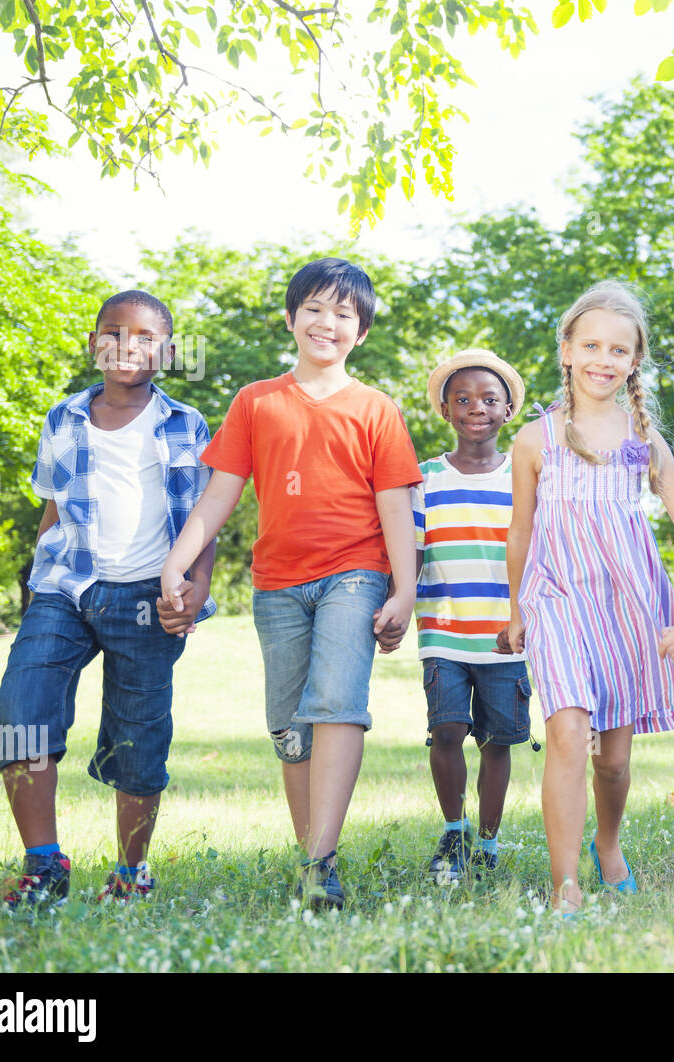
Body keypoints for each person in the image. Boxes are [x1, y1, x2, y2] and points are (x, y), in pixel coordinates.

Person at [160, 258, 421, 908]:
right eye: (314, 308)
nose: (326, 322)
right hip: (276, 585)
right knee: (288, 725)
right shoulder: (256, 401)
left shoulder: (377, 409)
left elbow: (395, 506)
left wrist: (404, 589)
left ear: (360, 333)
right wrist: (179, 559)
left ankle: (320, 863)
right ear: (290, 317)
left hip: (355, 575)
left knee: (335, 702)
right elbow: (221, 494)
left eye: (343, 314)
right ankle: (312, 862)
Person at [0, 290, 216, 908]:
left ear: (167, 351)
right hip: (64, 589)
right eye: (113, 332)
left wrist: (195, 589)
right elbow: (52, 509)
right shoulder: (62, 418)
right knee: (21, 713)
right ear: (95, 343)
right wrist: (35, 590)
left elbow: (205, 516)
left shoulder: (185, 424)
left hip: (148, 596)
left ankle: (130, 871)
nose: (128, 345)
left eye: (145, 336)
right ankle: (44, 866)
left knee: (138, 739)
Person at [502, 280, 674, 915]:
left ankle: (608, 842)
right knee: (567, 730)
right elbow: (521, 529)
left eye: (619, 350)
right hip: (557, 598)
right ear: (566, 349)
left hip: (628, 607)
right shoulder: (534, 440)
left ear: (635, 360)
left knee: (612, 763)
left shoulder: (644, 442)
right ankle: (565, 885)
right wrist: (516, 608)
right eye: (590, 344)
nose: (603, 358)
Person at [414, 349, 532, 881]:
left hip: (506, 633)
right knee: (447, 729)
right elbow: (410, 550)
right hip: (442, 626)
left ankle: (488, 842)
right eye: (462, 399)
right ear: (445, 410)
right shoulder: (423, 479)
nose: (476, 407)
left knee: (496, 740)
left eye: (489, 398)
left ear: (508, 410)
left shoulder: (526, 479)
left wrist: (526, 616)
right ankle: (453, 831)